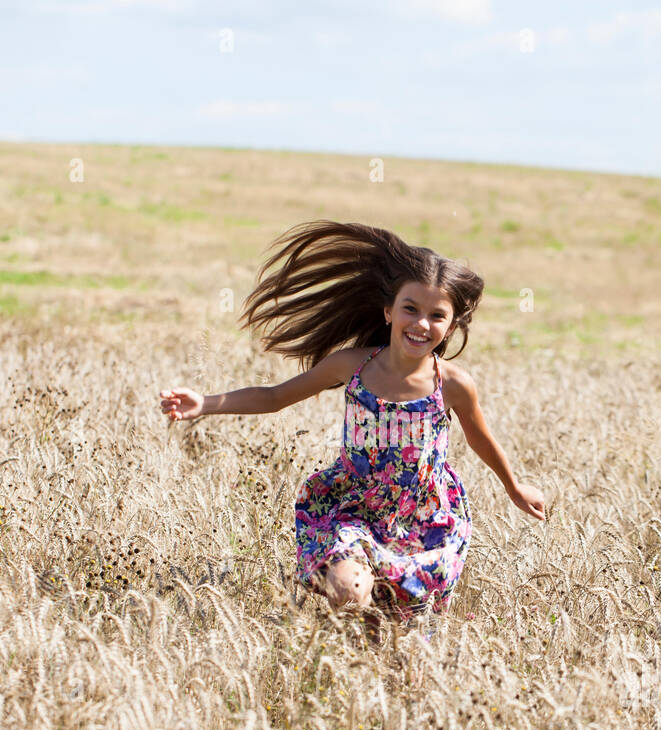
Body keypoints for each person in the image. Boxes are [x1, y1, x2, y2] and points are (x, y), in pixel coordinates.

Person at [160, 220, 544, 639]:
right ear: (388, 312)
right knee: (348, 592)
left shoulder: (451, 384)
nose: (421, 324)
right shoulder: (353, 366)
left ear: (450, 327)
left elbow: (479, 437)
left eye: (437, 316)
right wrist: (206, 404)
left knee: (402, 643)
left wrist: (513, 486)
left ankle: (363, 669)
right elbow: (274, 397)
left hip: (424, 520)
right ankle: (338, 635)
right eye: (410, 309)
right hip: (353, 508)